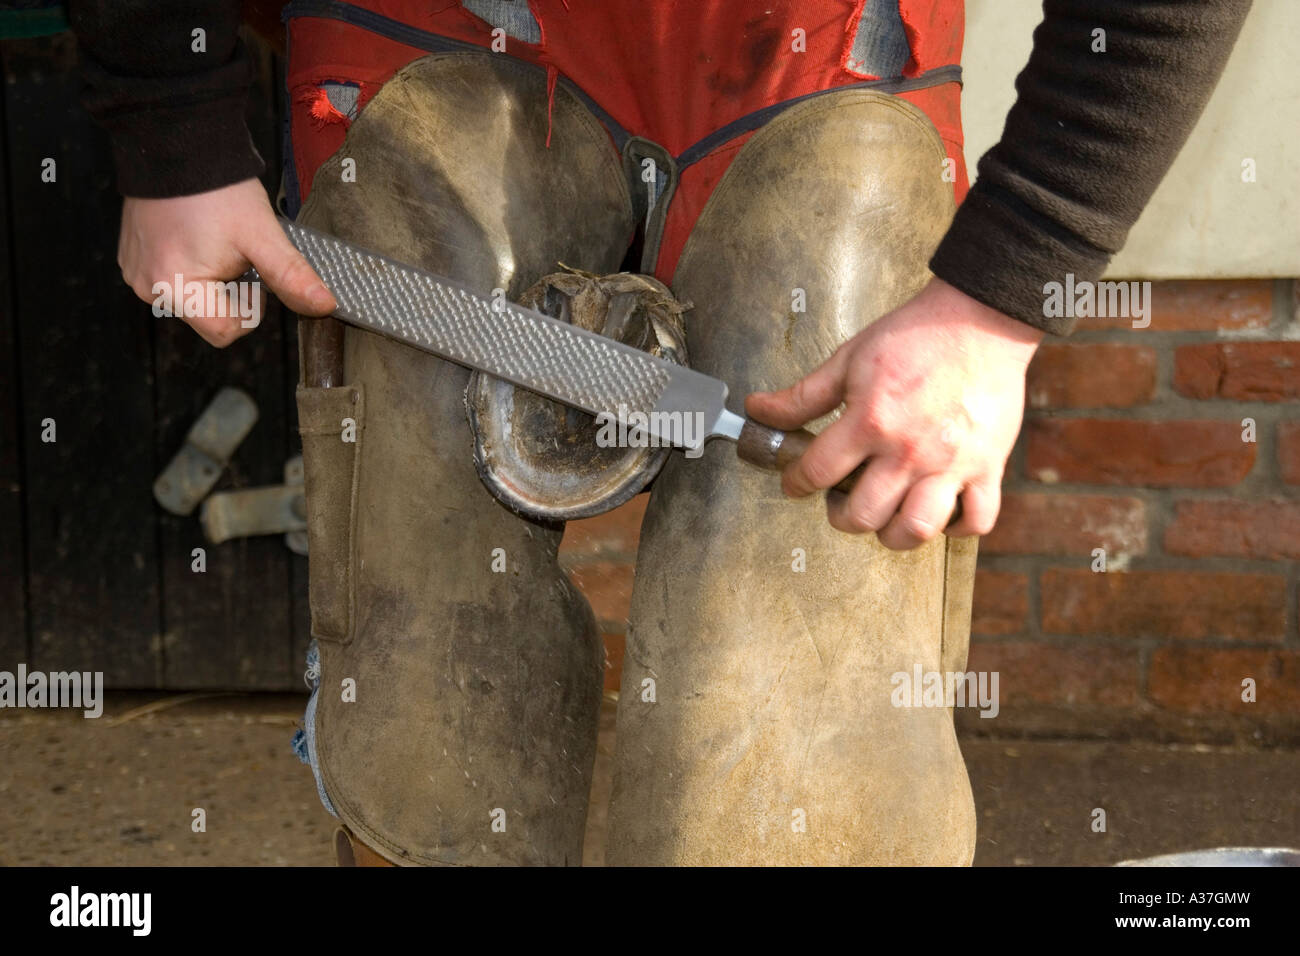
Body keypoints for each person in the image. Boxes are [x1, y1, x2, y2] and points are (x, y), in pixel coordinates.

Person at [70, 0, 1251, 865]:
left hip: (823, 41)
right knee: (437, 668)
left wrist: (998, 296)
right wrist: (169, 115)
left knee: (797, 696)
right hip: (426, 34)